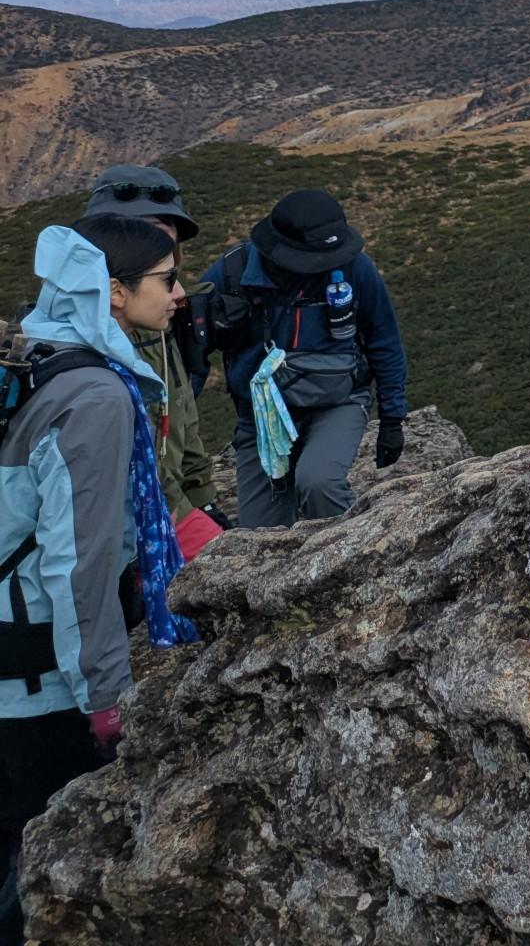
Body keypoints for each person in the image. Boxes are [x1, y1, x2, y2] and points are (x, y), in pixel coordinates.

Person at [0, 217, 198, 945]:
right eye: (166, 279)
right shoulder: (95, 398)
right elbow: (78, 562)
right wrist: (107, 699)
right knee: (28, 884)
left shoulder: (38, 356)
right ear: (112, 293)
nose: (180, 293)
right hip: (34, 690)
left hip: (9, 653)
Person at [198, 190, 408, 528]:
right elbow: (192, 348)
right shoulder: (233, 275)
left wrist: (392, 419)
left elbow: (384, 341)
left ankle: (348, 563)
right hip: (262, 418)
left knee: (319, 481)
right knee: (260, 536)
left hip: (336, 402)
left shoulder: (355, 269)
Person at [77, 166, 229, 557]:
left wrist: (203, 498)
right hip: (138, 521)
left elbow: (180, 417)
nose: (176, 291)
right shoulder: (85, 357)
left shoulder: (157, 323)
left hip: (168, 507)